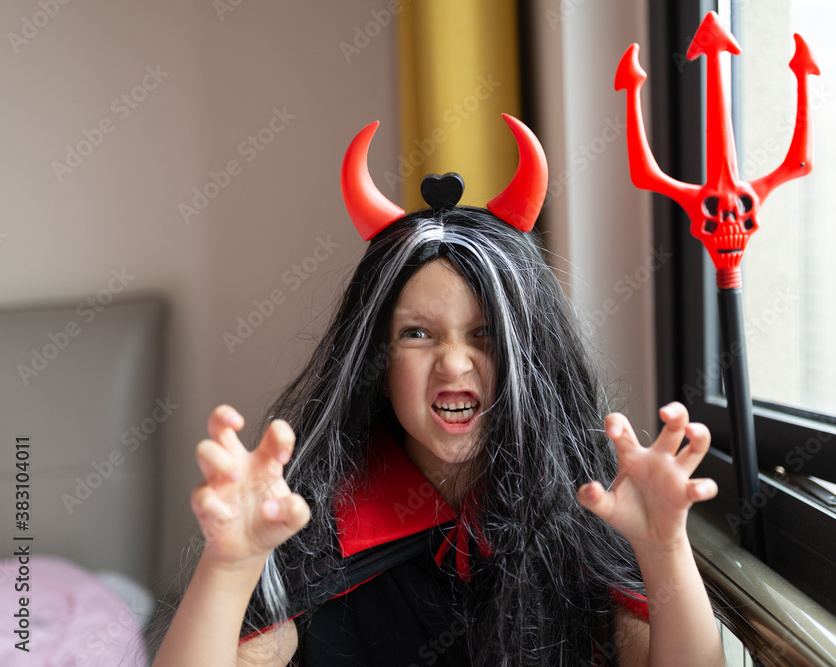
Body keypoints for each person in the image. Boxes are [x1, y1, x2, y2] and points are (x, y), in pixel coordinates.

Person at [152, 116, 725, 666]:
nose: (454, 362)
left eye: (486, 334)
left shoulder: (593, 510)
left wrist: (664, 550)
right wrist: (228, 568)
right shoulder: (307, 522)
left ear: (533, 358)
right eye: (416, 334)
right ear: (373, 363)